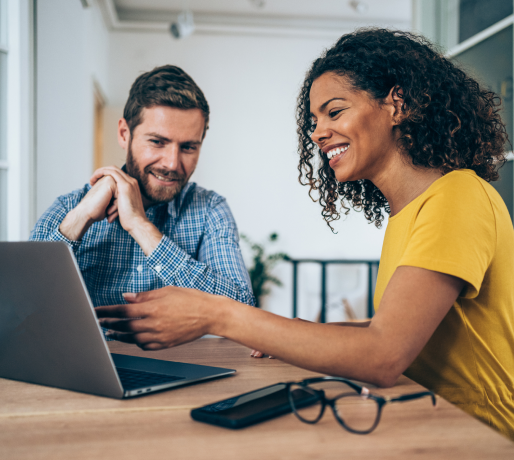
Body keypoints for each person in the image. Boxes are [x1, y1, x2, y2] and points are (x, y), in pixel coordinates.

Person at [95, 30, 514, 439]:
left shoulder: (457, 197)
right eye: (314, 120)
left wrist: (215, 313)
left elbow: (385, 354)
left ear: (396, 105)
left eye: (334, 112)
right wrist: (291, 334)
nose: (317, 132)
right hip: (428, 424)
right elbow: (400, 329)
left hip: (481, 436)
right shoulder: (410, 211)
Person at [30, 65, 254, 315]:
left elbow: (242, 310)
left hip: (180, 357)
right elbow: (22, 301)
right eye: (157, 142)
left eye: (188, 147)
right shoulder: (69, 208)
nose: (171, 163)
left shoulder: (210, 209)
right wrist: (79, 219)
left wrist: (140, 226)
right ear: (125, 134)